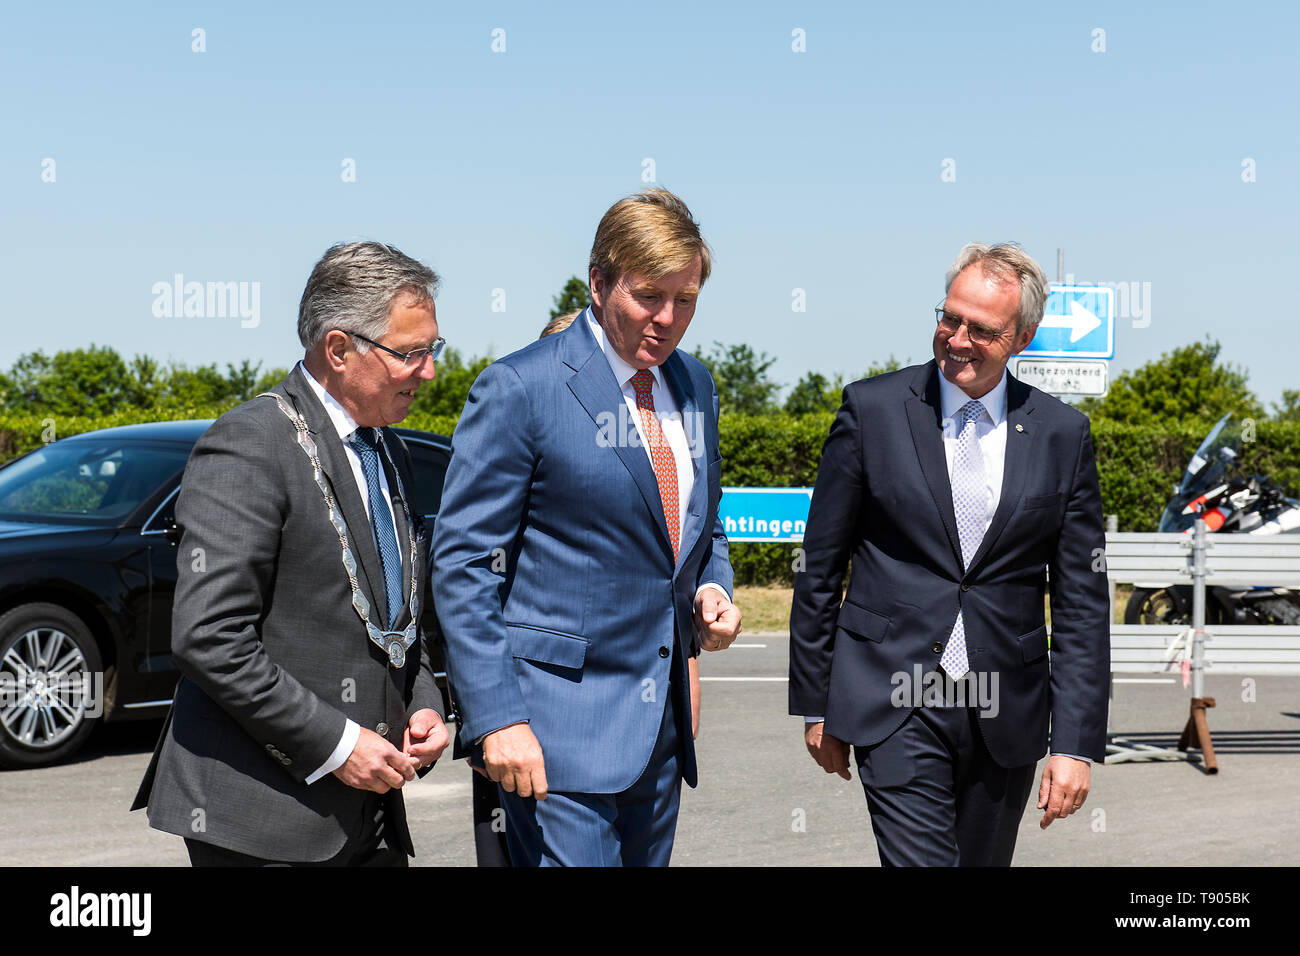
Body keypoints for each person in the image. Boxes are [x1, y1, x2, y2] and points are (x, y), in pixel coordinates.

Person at [433, 189, 741, 866]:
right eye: (649, 296)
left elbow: (698, 529)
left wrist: (713, 589)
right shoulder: (520, 388)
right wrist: (497, 718)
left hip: (661, 737)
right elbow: (462, 568)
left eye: (685, 299)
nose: (667, 319)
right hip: (553, 736)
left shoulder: (696, 386)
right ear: (598, 284)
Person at [789, 242, 1110, 866]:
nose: (957, 338)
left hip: (1004, 706)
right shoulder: (872, 410)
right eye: (949, 317)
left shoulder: (1062, 436)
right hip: (894, 696)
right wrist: (815, 700)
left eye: (982, 329)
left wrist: (1074, 744)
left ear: (1022, 337)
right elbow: (820, 566)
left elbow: (1080, 604)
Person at [131, 241, 451, 866]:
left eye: (432, 350)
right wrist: (338, 745)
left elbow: (393, 621)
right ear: (338, 349)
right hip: (263, 824)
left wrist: (424, 705)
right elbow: (210, 638)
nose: (429, 371)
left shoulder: (388, 450)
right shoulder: (250, 444)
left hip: (371, 815)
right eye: (410, 353)